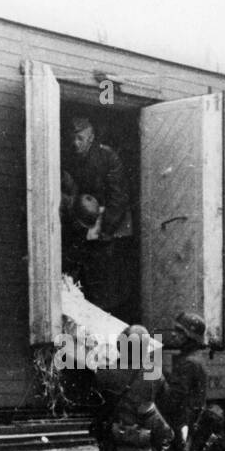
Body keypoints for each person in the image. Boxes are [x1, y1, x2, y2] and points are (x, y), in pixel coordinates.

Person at [159, 312, 224, 451]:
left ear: (189, 338)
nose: (174, 335)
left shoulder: (187, 364)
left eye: (179, 332)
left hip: (185, 435)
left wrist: (157, 377)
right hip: (192, 434)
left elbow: (172, 400)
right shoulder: (195, 359)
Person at [62, 115, 135, 318]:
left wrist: (105, 230)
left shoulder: (108, 157)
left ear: (91, 137)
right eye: (72, 139)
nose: (75, 144)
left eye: (80, 139)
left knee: (109, 287)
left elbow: (119, 197)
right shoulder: (70, 159)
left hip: (108, 233)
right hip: (82, 228)